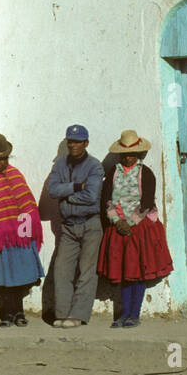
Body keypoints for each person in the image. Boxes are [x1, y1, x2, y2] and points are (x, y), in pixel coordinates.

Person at [97, 129, 173, 327]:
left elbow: (147, 200)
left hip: (139, 226)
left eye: (132, 154)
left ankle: (134, 314)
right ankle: (122, 314)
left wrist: (130, 223)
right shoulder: (113, 172)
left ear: (138, 154)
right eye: (125, 154)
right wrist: (116, 221)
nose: (128, 158)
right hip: (118, 225)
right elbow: (107, 199)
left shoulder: (145, 173)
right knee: (123, 271)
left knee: (137, 270)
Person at [0, 133, 44, 327]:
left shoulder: (15, 174)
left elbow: (27, 201)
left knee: (20, 275)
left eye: (4, 159)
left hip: (19, 235)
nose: (1, 163)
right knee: (3, 277)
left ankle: (19, 313)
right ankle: (5, 315)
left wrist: (26, 230)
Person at [47, 124, 105, 327]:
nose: (74, 145)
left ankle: (77, 316)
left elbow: (91, 196)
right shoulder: (60, 164)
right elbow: (52, 191)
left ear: (86, 143)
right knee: (62, 269)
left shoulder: (95, 166)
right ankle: (62, 314)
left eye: (78, 141)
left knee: (87, 271)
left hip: (90, 224)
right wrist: (75, 187)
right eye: (70, 141)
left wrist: (67, 197)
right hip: (68, 227)